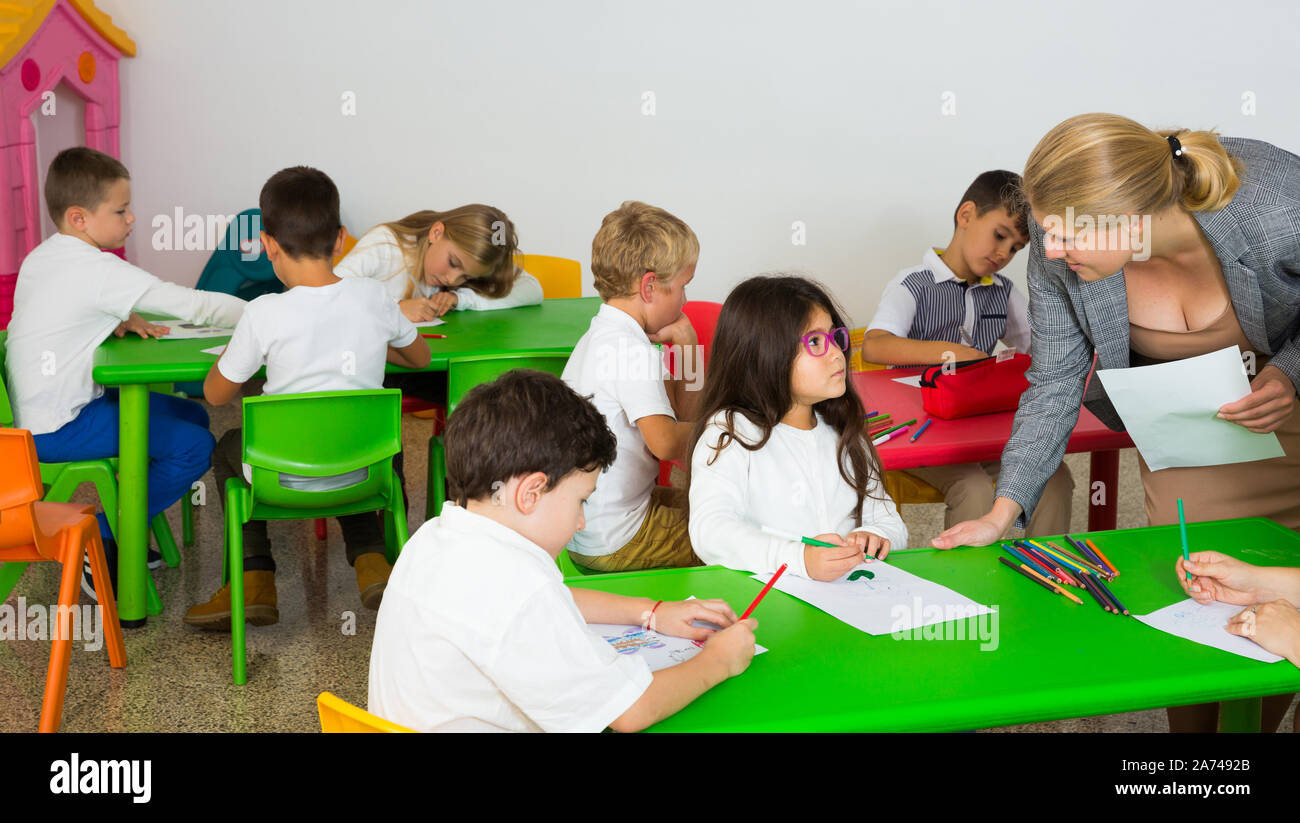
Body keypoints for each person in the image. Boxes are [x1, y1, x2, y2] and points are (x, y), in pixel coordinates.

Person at [933, 113, 1300, 732]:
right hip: (1190, 424)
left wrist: (1289, 372)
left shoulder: (1275, 204)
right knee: (1202, 593)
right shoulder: (1063, 260)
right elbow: (1053, 383)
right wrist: (1004, 510)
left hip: (1287, 401)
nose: (1046, 253)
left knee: (1282, 612)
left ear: (1128, 219)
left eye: (1061, 234)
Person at [368, 369, 757, 732]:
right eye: (581, 500)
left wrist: (651, 612)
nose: (581, 522)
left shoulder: (439, 535)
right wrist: (719, 660)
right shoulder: (519, 588)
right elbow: (631, 710)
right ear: (529, 493)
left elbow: (553, 597)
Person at [184, 166, 429, 630]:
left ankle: (255, 581)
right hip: (363, 474)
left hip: (283, 480)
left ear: (269, 245)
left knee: (226, 449)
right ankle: (374, 562)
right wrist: (369, 342)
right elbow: (419, 357)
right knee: (365, 442)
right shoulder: (375, 298)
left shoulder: (262, 314)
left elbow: (215, 395)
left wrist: (237, 355)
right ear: (340, 241)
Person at [4, 146, 245, 605]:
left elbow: (60, 313)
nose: (131, 219)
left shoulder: (45, 257)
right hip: (57, 427)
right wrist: (266, 317)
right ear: (79, 218)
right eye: (120, 210)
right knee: (196, 446)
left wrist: (117, 318)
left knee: (192, 419)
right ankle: (102, 536)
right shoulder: (97, 270)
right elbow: (191, 305)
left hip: (33, 419)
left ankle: (123, 529)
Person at [862, 169, 1073, 536]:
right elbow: (875, 344)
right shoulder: (913, 284)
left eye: (1016, 248)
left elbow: (1040, 347)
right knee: (973, 488)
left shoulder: (1002, 291)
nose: (1004, 253)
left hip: (978, 427)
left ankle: (1046, 571)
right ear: (966, 216)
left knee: (1052, 475)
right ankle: (966, 591)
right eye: (999, 235)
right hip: (919, 430)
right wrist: (952, 352)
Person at [688, 275, 907, 581]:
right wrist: (798, 558)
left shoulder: (845, 431)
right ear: (766, 354)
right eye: (815, 342)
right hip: (768, 603)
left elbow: (890, 523)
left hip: (847, 598)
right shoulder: (730, 431)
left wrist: (873, 534)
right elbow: (709, 531)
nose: (836, 353)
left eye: (834, 337)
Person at [561, 201, 702, 571]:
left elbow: (684, 413)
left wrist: (687, 344)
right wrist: (726, 426)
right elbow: (668, 442)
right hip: (618, 539)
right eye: (683, 287)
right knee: (725, 532)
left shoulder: (601, 335)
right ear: (649, 286)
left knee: (709, 505)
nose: (685, 300)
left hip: (594, 525)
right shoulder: (629, 351)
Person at [334, 205, 541, 321]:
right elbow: (322, 297)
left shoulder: (457, 277)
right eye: (453, 262)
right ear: (436, 232)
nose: (452, 279)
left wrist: (459, 299)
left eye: (466, 277)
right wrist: (394, 309)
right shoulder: (386, 244)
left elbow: (533, 289)